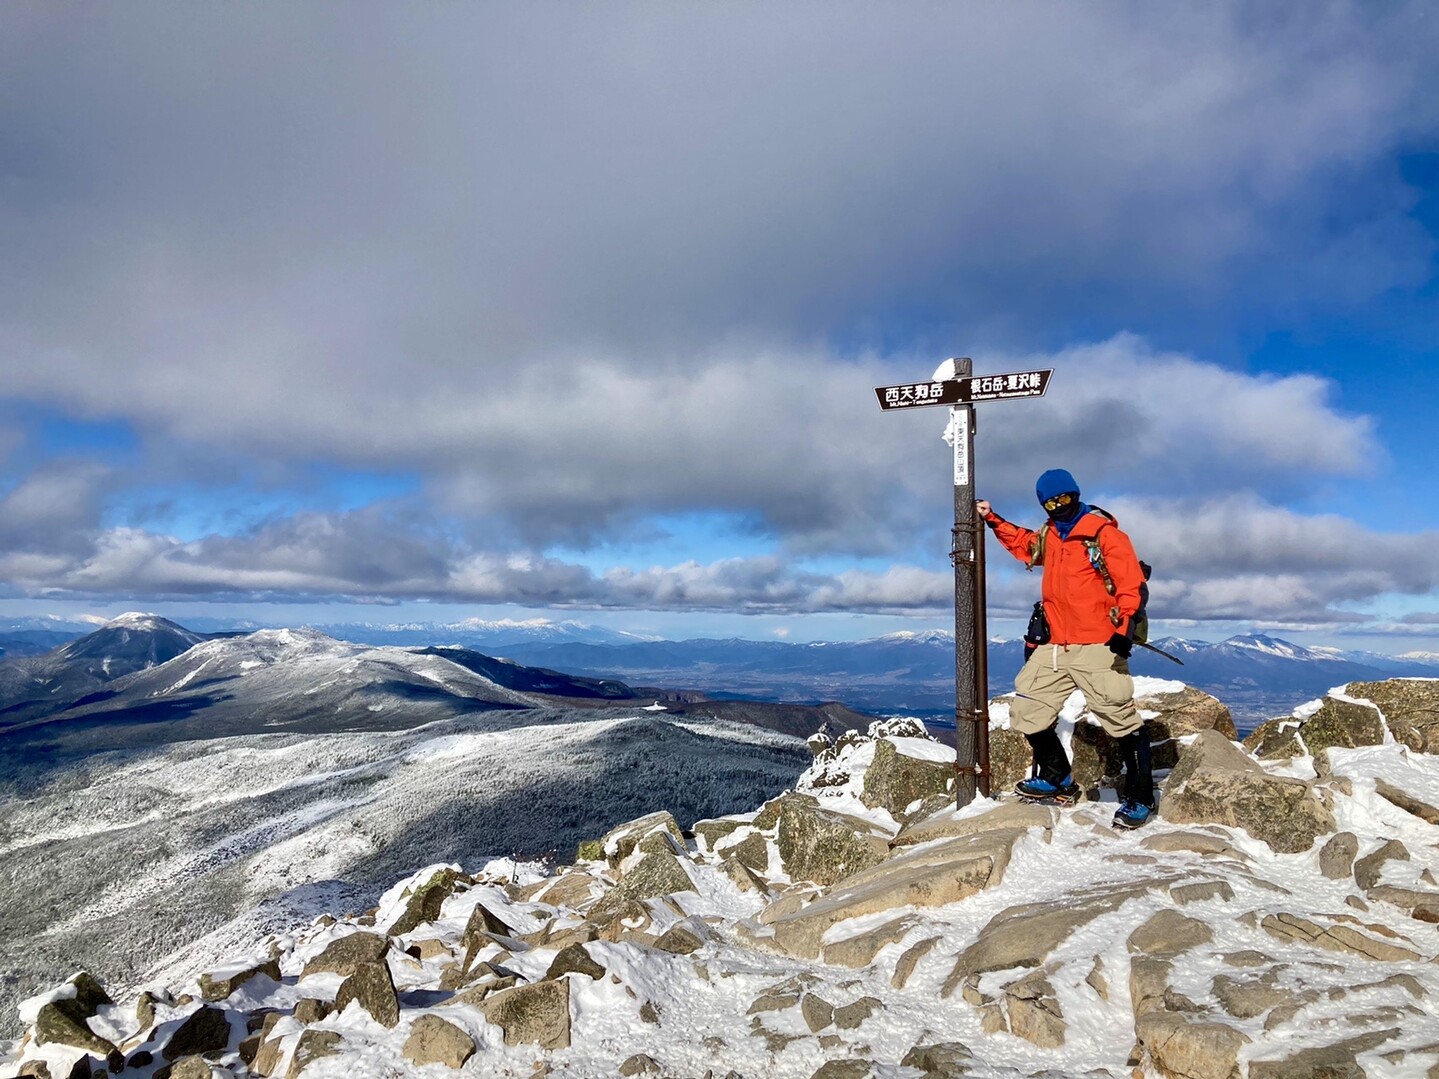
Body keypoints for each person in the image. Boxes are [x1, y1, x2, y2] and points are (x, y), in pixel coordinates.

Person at [976, 468, 1156, 829]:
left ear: (1076, 494)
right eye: (1051, 503)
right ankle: (1058, 777)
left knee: (1120, 720)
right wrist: (992, 520)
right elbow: (1025, 545)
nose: (1060, 507)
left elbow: (1130, 584)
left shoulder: (1103, 534)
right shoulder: (1050, 536)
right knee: (1027, 709)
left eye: (1064, 499)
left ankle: (1141, 796)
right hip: (1056, 644)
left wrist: (1123, 630)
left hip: (1098, 643)